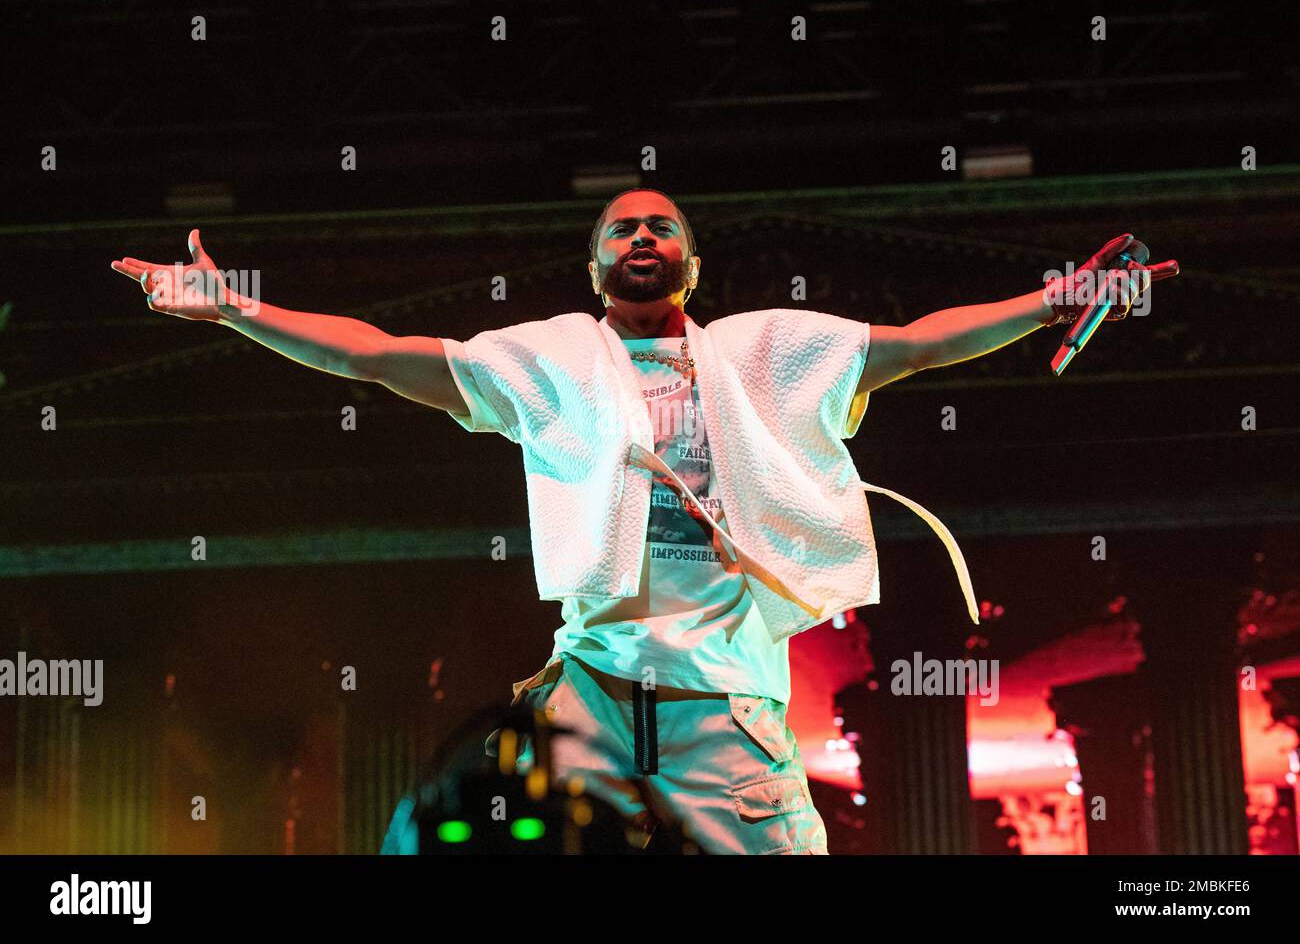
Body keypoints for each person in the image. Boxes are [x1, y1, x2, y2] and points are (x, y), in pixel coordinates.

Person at [110, 189, 1178, 854]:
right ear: (591, 266)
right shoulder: (548, 362)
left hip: (718, 691)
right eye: (620, 226)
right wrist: (239, 308)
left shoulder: (765, 350)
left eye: (662, 225)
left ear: (691, 263)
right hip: (596, 686)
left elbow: (916, 343)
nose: (641, 235)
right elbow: (377, 354)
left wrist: (1055, 298)